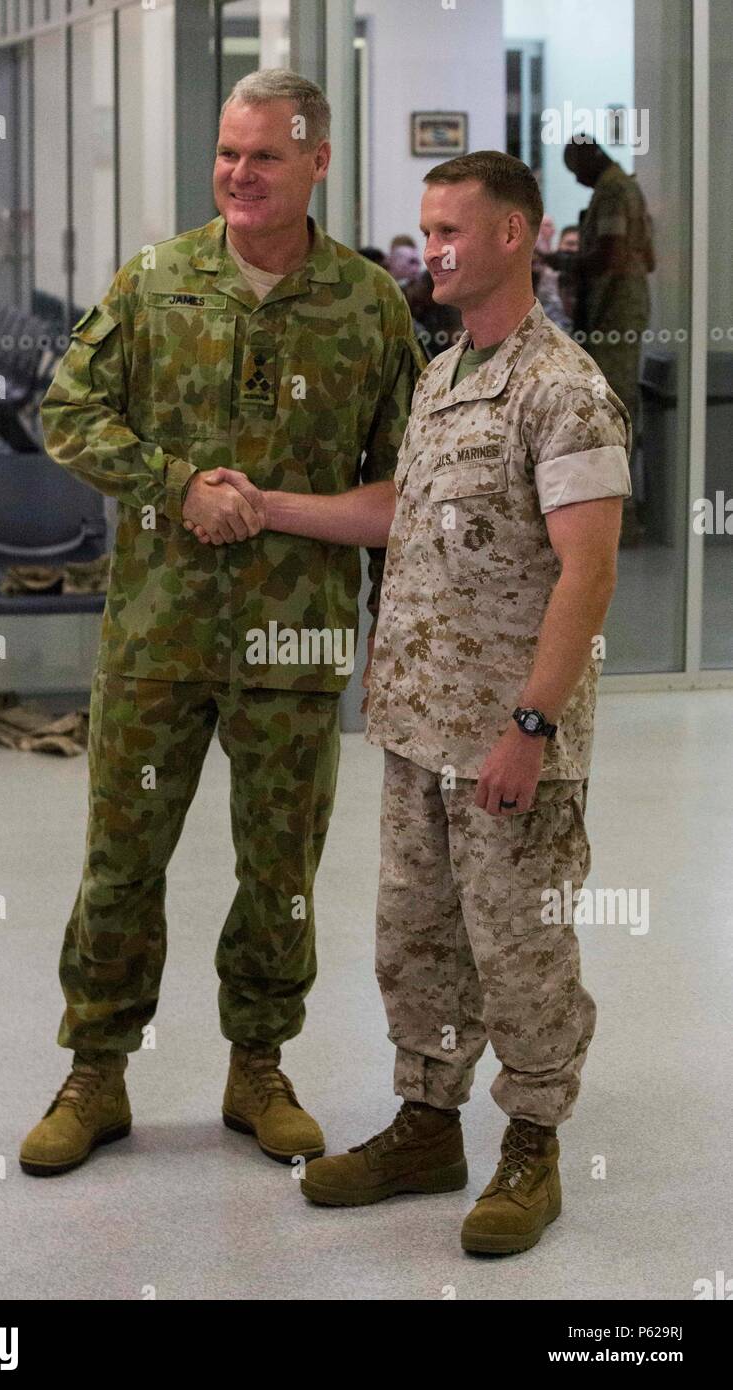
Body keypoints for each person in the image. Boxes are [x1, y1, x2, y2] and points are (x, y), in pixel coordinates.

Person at [19, 69, 425, 1178]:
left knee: (280, 870)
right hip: (157, 639)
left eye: (264, 157)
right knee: (119, 863)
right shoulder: (155, 284)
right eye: (226, 153)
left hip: (295, 647)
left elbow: (402, 489)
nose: (238, 175)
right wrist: (175, 482)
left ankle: (258, 1065)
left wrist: (391, 637)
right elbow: (69, 411)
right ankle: (94, 1071)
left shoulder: (367, 305)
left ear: (316, 163)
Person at [299, 150, 632, 1257]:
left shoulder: (563, 388)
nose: (431, 249)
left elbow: (587, 571)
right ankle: (426, 1123)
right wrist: (275, 507)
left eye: (452, 230)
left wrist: (529, 726)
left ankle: (530, 1145)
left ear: (514, 238)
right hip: (415, 728)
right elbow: (403, 513)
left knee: (518, 945)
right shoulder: (443, 376)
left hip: (505, 736)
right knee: (417, 938)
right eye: (424, 229)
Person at [547, 139, 654, 538]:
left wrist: (563, 262)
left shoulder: (612, 191)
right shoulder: (624, 187)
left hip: (614, 311)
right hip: (616, 308)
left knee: (613, 412)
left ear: (592, 159)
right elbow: (649, 255)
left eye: (577, 170)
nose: (578, 180)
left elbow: (608, 254)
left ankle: (618, 521)